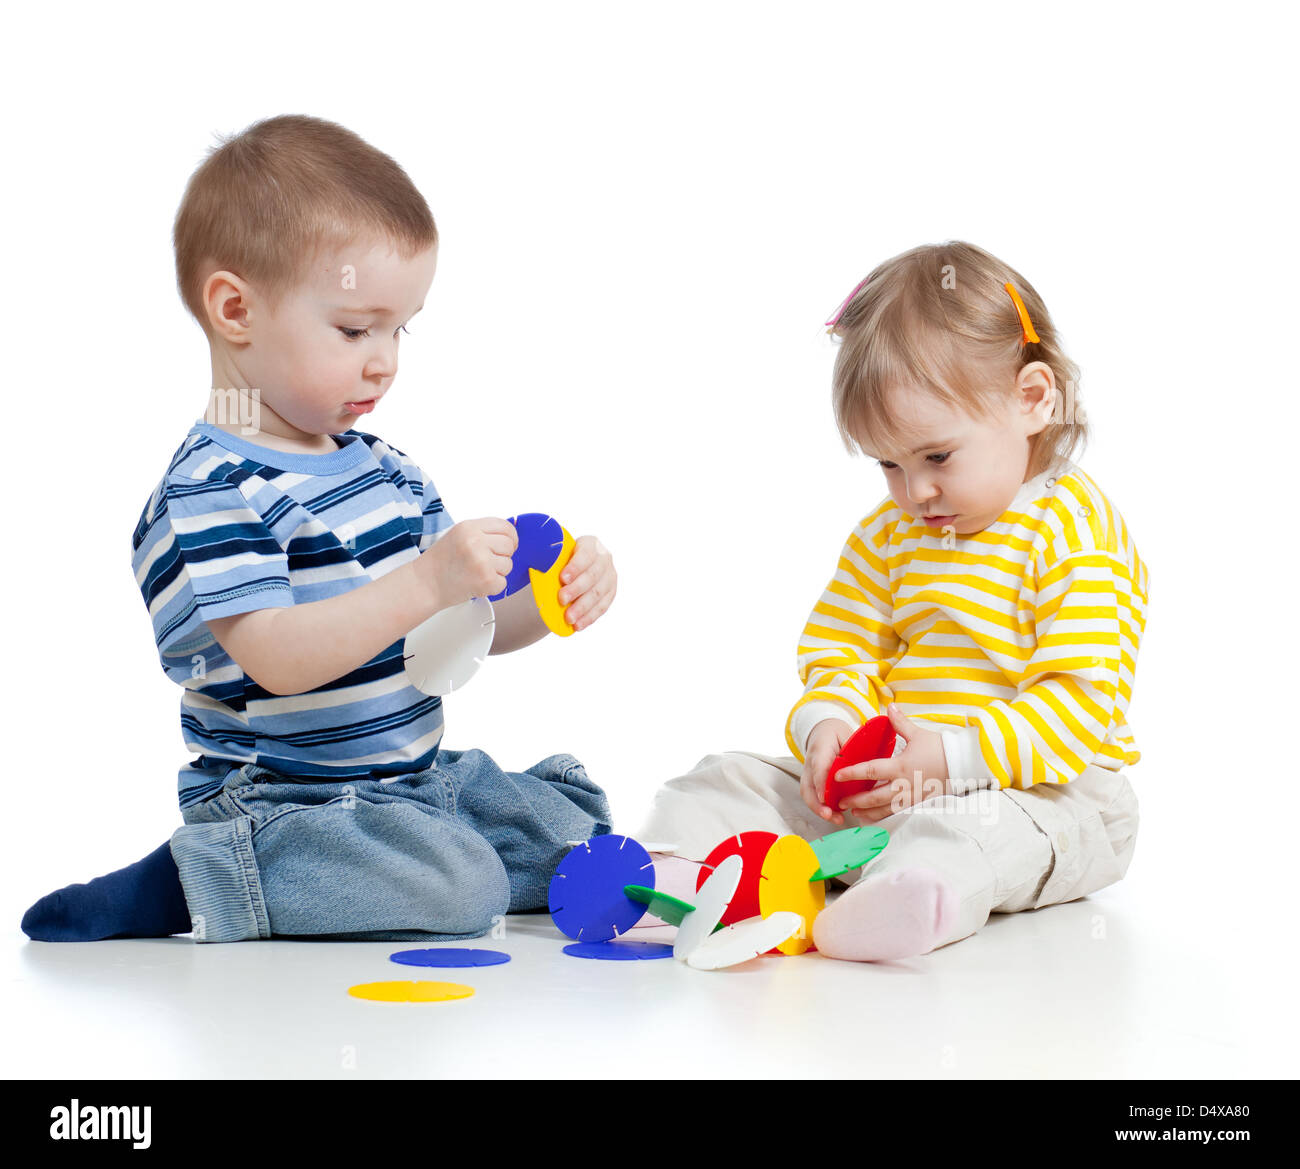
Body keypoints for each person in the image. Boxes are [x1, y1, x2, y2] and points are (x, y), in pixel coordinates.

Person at [22, 114, 617, 944]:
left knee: (572, 831)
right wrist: (423, 580)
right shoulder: (212, 488)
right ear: (236, 310)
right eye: (354, 328)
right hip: (287, 797)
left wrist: (551, 605)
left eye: (400, 327)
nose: (386, 360)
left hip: (407, 780)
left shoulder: (390, 471)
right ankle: (214, 873)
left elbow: (452, 632)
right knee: (465, 888)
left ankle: (429, 851)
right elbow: (276, 656)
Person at [634, 241, 1149, 962]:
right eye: (889, 464)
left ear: (1032, 399)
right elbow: (841, 649)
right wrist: (831, 731)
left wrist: (946, 761)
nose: (916, 492)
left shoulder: (1074, 530)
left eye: (937, 457)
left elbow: (1077, 705)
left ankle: (910, 901)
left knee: (977, 836)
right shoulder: (891, 534)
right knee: (728, 775)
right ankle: (677, 874)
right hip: (892, 794)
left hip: (1049, 792)